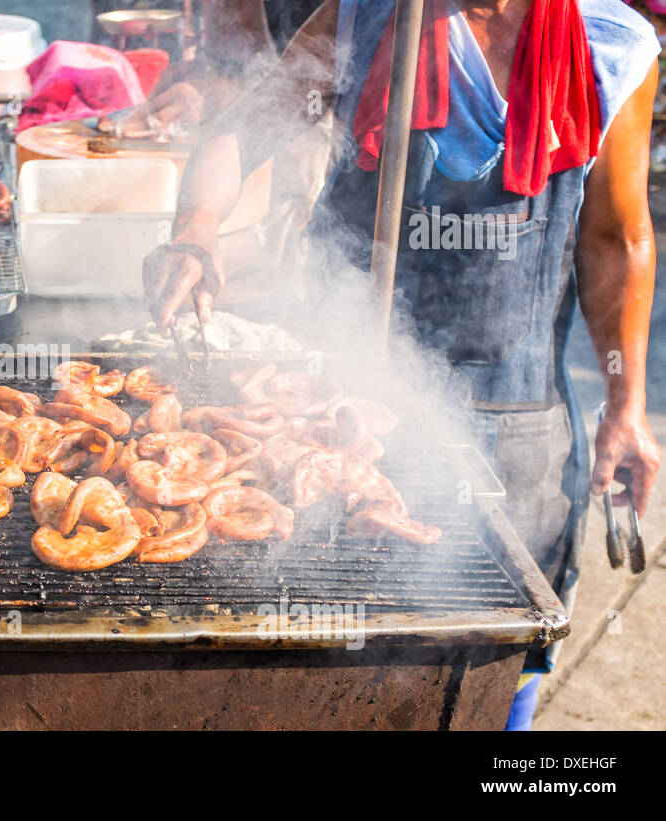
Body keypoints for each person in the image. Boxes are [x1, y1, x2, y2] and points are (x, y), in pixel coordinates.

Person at [147, 0, 662, 729]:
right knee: (328, 656)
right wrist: (196, 229)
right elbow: (241, 133)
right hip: (344, 396)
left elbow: (618, 237)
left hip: (514, 412)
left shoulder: (612, 47)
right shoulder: (363, 16)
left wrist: (626, 402)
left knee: (501, 649)